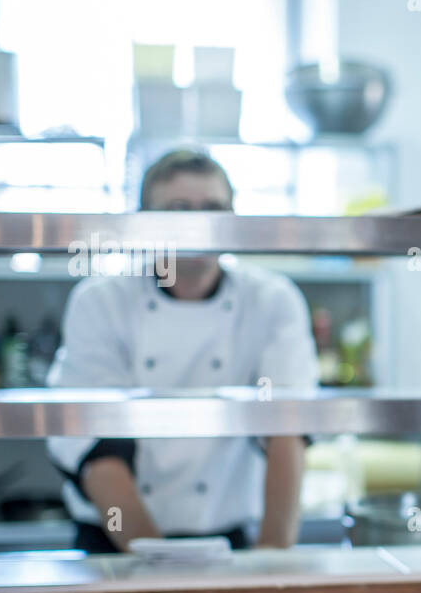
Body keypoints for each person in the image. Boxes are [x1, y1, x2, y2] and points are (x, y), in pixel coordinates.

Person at [46, 150, 319, 553]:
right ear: (144, 222)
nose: (198, 224)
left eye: (213, 208)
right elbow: (96, 444)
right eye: (179, 210)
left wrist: (272, 561)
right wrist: (159, 566)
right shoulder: (101, 302)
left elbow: (286, 428)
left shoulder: (272, 300)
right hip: (116, 545)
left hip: (229, 539)